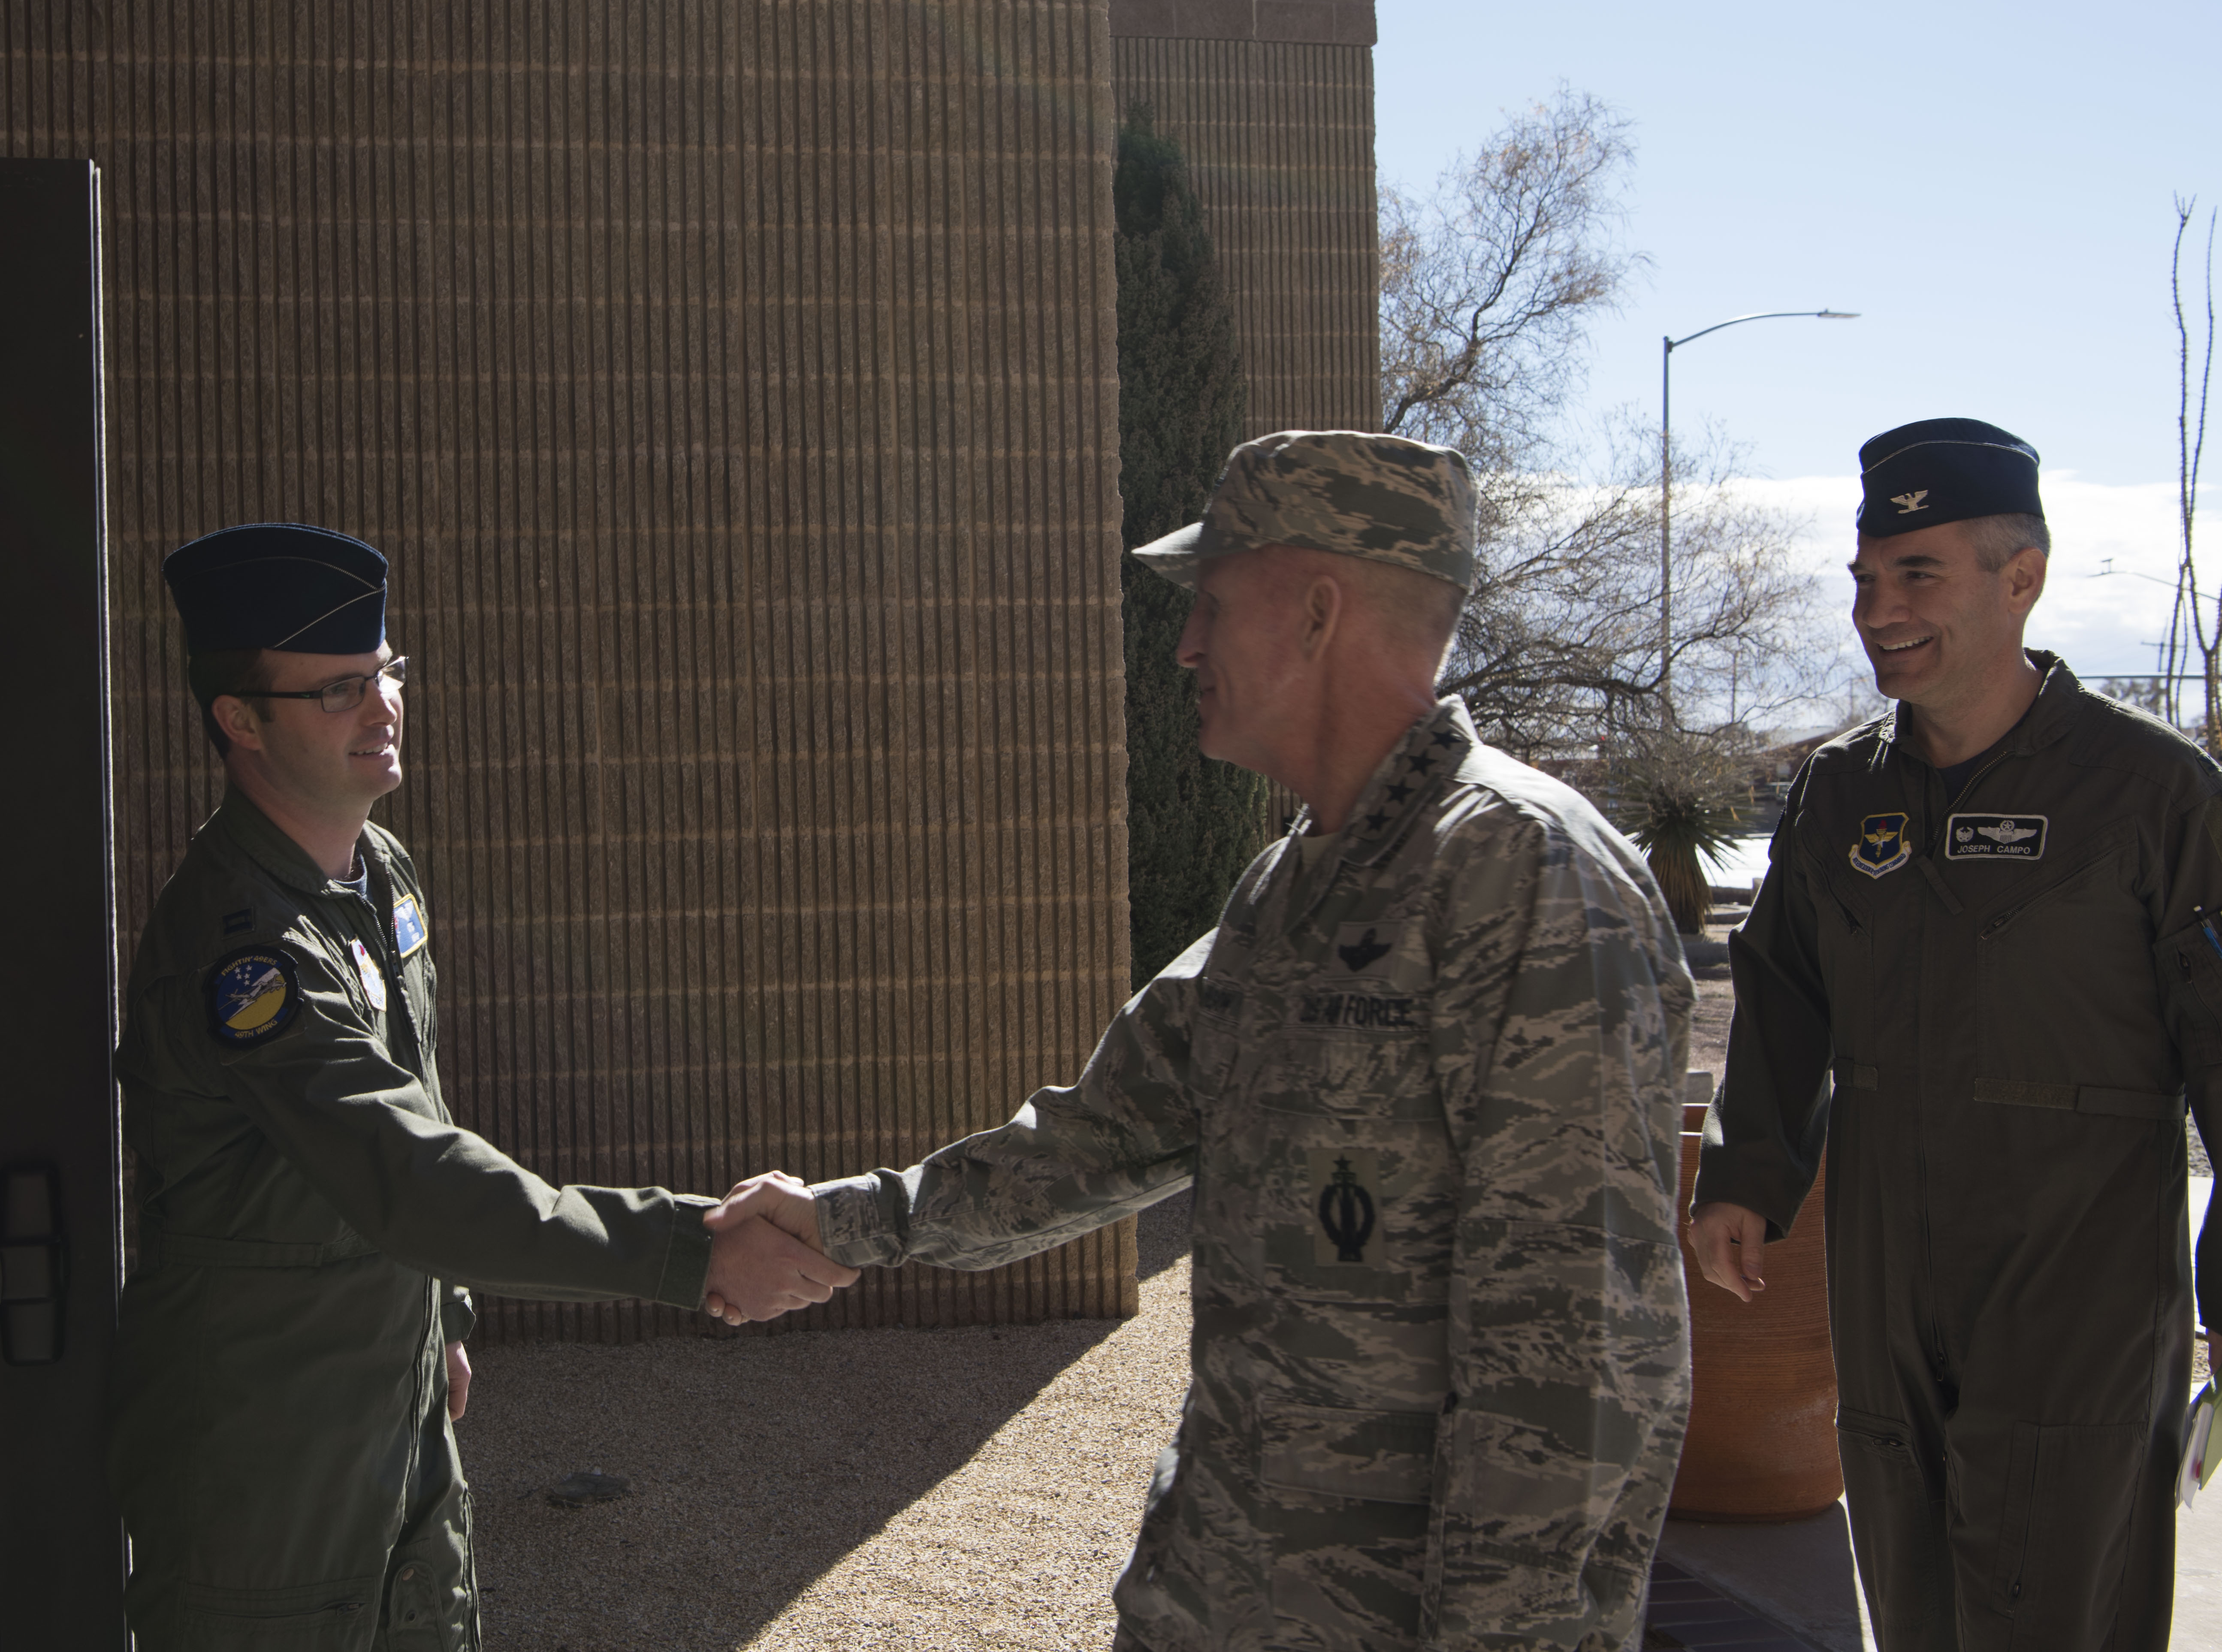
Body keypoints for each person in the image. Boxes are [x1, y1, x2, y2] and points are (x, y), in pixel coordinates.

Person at [706, 431, 1697, 1652]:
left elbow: (1582, 1354)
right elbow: (1098, 1139)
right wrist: (847, 1217)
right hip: (1216, 1593)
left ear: (1319, 612)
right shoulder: (1286, 890)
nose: (1184, 644)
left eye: (1214, 604)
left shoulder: (1524, 874)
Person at [109, 523, 859, 1651]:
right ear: (239, 720)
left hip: (392, 1415)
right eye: (339, 690)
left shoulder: (381, 871)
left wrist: (444, 1313)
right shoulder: (246, 951)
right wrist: (688, 1249)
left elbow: (422, 1109)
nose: (383, 707)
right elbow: (411, 1176)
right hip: (267, 1452)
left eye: (388, 671)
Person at [1686, 419, 2222, 1652]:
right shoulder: (1839, 790)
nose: (1879, 610)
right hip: (1882, 1274)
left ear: (2019, 577)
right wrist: (1746, 1173)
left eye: (1917, 574)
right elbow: (1782, 986)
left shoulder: (2145, 792)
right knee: (1913, 1600)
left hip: (2070, 1275)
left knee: (2049, 1606)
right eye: (1866, 580)